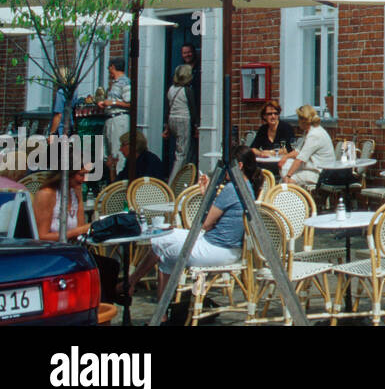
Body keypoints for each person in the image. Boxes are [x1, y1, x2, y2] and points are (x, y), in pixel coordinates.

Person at [126, 145, 263, 300]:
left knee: (162, 247)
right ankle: (138, 290)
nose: (224, 169)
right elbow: (212, 219)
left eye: (227, 165)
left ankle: (132, 286)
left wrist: (209, 211)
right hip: (229, 248)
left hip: (216, 248)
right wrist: (206, 194)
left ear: (239, 166)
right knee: (163, 238)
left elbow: (205, 223)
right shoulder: (248, 188)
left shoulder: (232, 188)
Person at [33, 166, 122, 305]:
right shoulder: (47, 194)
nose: (84, 179)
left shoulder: (75, 192)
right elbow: (41, 236)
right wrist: (79, 231)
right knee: (99, 274)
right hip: (50, 254)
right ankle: (99, 310)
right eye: (80, 175)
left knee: (111, 266)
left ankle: (104, 311)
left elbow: (80, 228)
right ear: (68, 173)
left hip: (71, 251)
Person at [278, 106, 332, 188]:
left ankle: (293, 198)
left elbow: (300, 159)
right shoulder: (309, 131)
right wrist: (285, 157)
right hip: (313, 168)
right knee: (285, 166)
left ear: (303, 120)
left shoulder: (314, 134)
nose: (298, 121)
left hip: (321, 174)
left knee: (289, 179)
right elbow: (297, 151)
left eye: (299, 119)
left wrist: (288, 176)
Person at [98, 57, 132, 180]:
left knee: (119, 152)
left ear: (112, 67)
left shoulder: (125, 82)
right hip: (111, 119)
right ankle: (113, 182)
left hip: (119, 119)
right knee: (109, 154)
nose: (108, 71)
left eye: (109, 68)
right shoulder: (115, 83)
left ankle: (119, 184)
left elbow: (130, 103)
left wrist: (111, 102)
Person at [163, 64, 195, 184]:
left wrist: (166, 126)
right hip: (183, 120)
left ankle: (183, 181)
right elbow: (192, 109)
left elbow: (168, 108)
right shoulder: (187, 90)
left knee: (180, 151)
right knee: (181, 154)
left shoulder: (171, 89)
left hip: (172, 119)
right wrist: (196, 125)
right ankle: (173, 184)